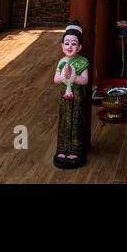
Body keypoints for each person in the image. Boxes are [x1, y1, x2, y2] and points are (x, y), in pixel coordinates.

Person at [53, 22, 90, 168]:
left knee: (76, 121)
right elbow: (56, 79)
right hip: (64, 95)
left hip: (77, 95)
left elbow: (85, 80)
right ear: (62, 46)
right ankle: (62, 149)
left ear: (79, 47)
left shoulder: (82, 62)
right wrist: (64, 74)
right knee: (64, 121)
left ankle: (75, 150)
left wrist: (73, 76)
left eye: (73, 43)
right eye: (66, 43)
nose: (70, 46)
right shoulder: (62, 62)